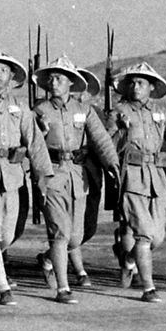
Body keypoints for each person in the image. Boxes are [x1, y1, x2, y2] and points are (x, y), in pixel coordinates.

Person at [108, 61, 166, 302]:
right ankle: (148, 287)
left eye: (142, 83)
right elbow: (105, 143)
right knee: (144, 234)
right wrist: (118, 130)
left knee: (157, 237)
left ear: (151, 87)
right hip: (132, 177)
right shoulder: (118, 112)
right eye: (132, 82)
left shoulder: (162, 113)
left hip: (157, 178)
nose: (136, 86)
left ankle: (129, 260)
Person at [0, 50, 53, 305]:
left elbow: (34, 140)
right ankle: (4, 289)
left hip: (13, 176)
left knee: (8, 235)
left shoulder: (20, 106)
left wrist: (42, 174)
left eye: (4, 70)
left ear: (12, 76)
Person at [32, 56, 119, 302]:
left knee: (75, 237)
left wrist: (112, 162)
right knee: (60, 233)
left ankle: (47, 259)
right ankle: (63, 287)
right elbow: (30, 139)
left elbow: (100, 139)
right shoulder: (40, 110)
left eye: (59, 77)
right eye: (51, 77)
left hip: (78, 176)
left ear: (71, 82)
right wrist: (41, 131)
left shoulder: (84, 110)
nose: (53, 81)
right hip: (52, 173)